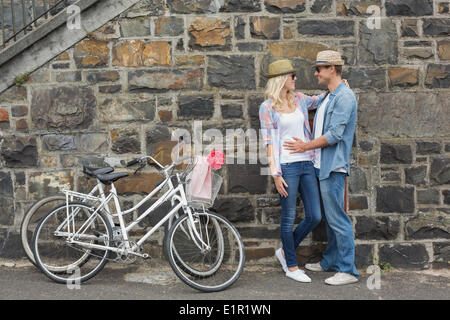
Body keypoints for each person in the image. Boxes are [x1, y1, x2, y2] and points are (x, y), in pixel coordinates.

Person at [283, 50, 359, 286]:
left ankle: (348, 270)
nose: (315, 73)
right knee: (329, 217)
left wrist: (305, 146)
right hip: (319, 165)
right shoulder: (330, 95)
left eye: (319, 69)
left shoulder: (344, 97)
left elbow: (335, 134)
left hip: (332, 167)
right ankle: (330, 262)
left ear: (332, 69)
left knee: (338, 219)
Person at [258, 59, 325, 283]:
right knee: (288, 218)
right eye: (292, 76)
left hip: (307, 163)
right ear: (281, 79)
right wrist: (276, 174)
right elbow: (269, 142)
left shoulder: (300, 99)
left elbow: (321, 100)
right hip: (287, 167)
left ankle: (285, 252)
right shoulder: (267, 107)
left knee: (315, 215)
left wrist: (338, 87)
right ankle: (292, 266)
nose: (296, 79)